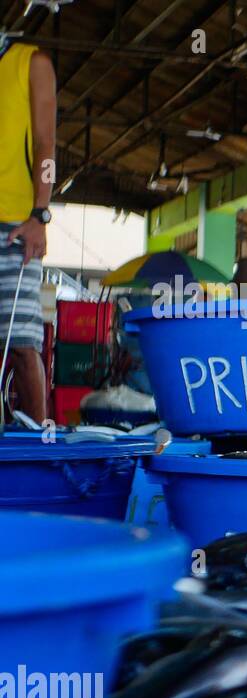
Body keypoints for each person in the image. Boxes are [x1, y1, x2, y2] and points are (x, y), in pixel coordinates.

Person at [0, 36, 56, 423]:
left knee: (20, 343)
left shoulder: (31, 62)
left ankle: (40, 445)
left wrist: (41, 214)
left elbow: (46, 143)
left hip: (14, 227)